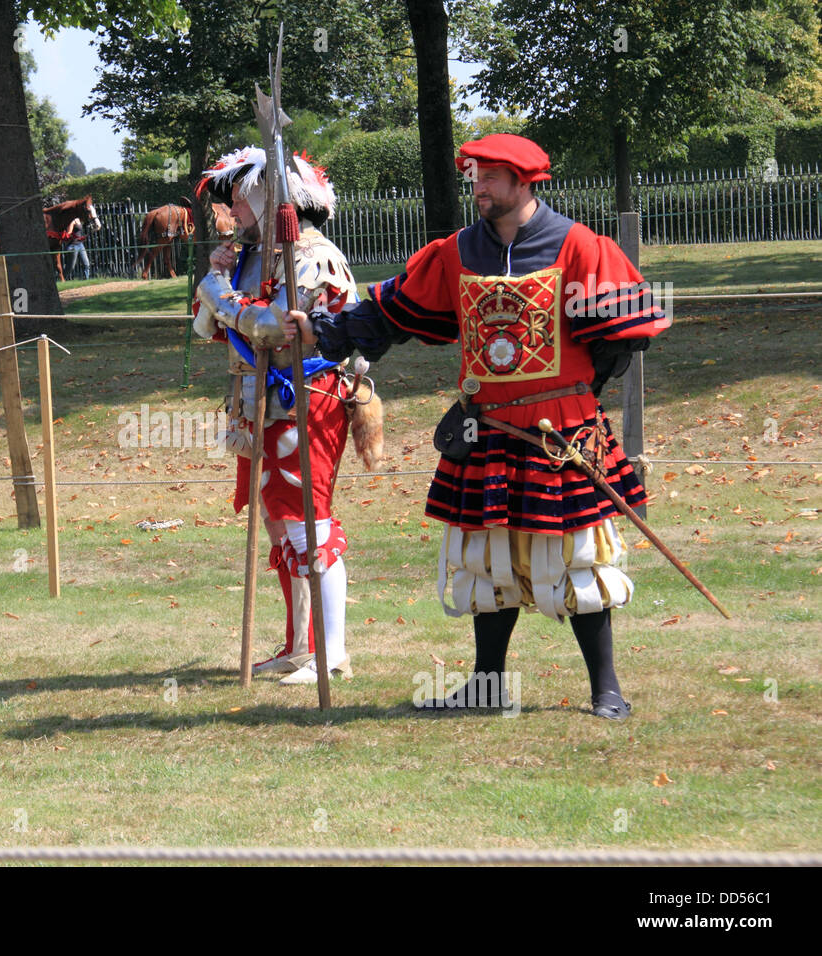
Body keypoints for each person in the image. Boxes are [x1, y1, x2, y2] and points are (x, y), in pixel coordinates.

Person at [291, 133, 669, 718]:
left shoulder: (580, 246)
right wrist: (321, 331)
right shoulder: (456, 251)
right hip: (484, 429)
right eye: (474, 176)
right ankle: (488, 688)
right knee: (486, 559)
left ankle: (606, 689)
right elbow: (391, 313)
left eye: (490, 177)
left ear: (525, 182)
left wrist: (579, 397)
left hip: (560, 430)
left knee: (577, 558)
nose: (478, 186)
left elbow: (622, 337)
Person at [193, 147, 380, 686]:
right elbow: (207, 329)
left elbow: (278, 329)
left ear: (268, 199)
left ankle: (333, 651)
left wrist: (220, 295)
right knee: (279, 522)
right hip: (256, 401)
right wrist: (215, 279)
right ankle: (300, 644)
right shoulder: (246, 257)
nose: (234, 213)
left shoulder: (316, 256)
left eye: (241, 202)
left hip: (307, 396)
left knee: (308, 521)